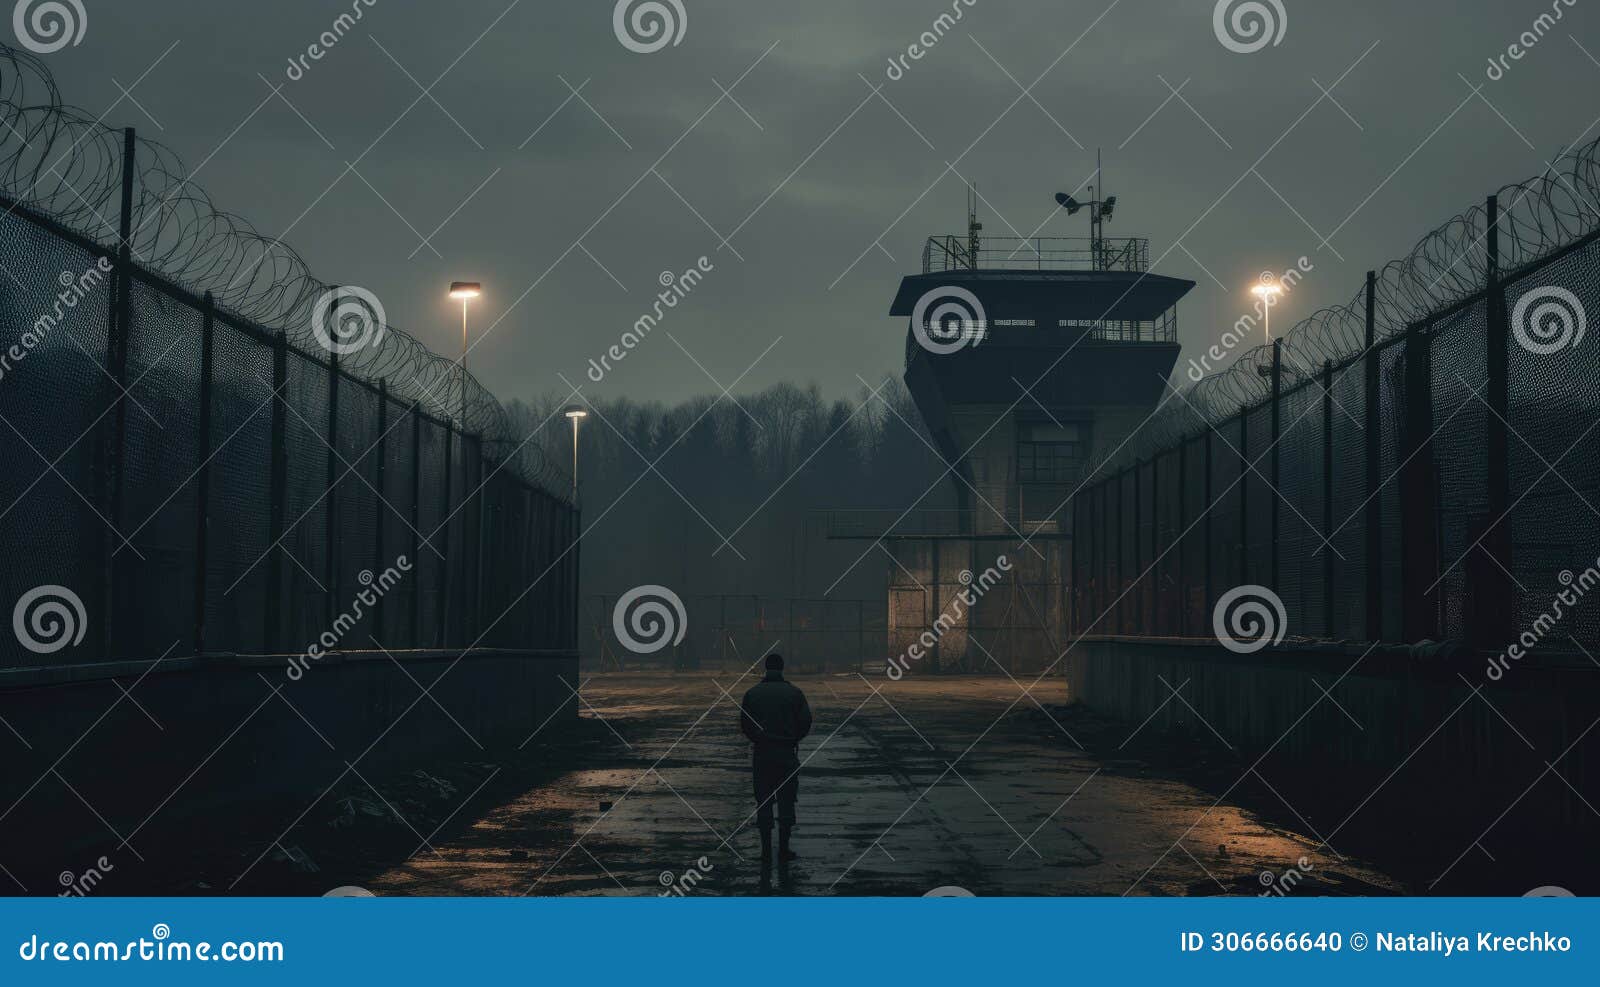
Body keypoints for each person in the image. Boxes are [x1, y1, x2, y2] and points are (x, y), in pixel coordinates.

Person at [737, 653, 813, 867]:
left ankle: (765, 850)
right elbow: (806, 721)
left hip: (763, 753)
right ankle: (783, 848)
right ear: (782, 667)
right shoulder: (795, 693)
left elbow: (745, 724)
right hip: (786, 752)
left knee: (763, 800)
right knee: (787, 801)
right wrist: (792, 738)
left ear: (765, 668)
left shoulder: (752, 693)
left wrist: (759, 739)